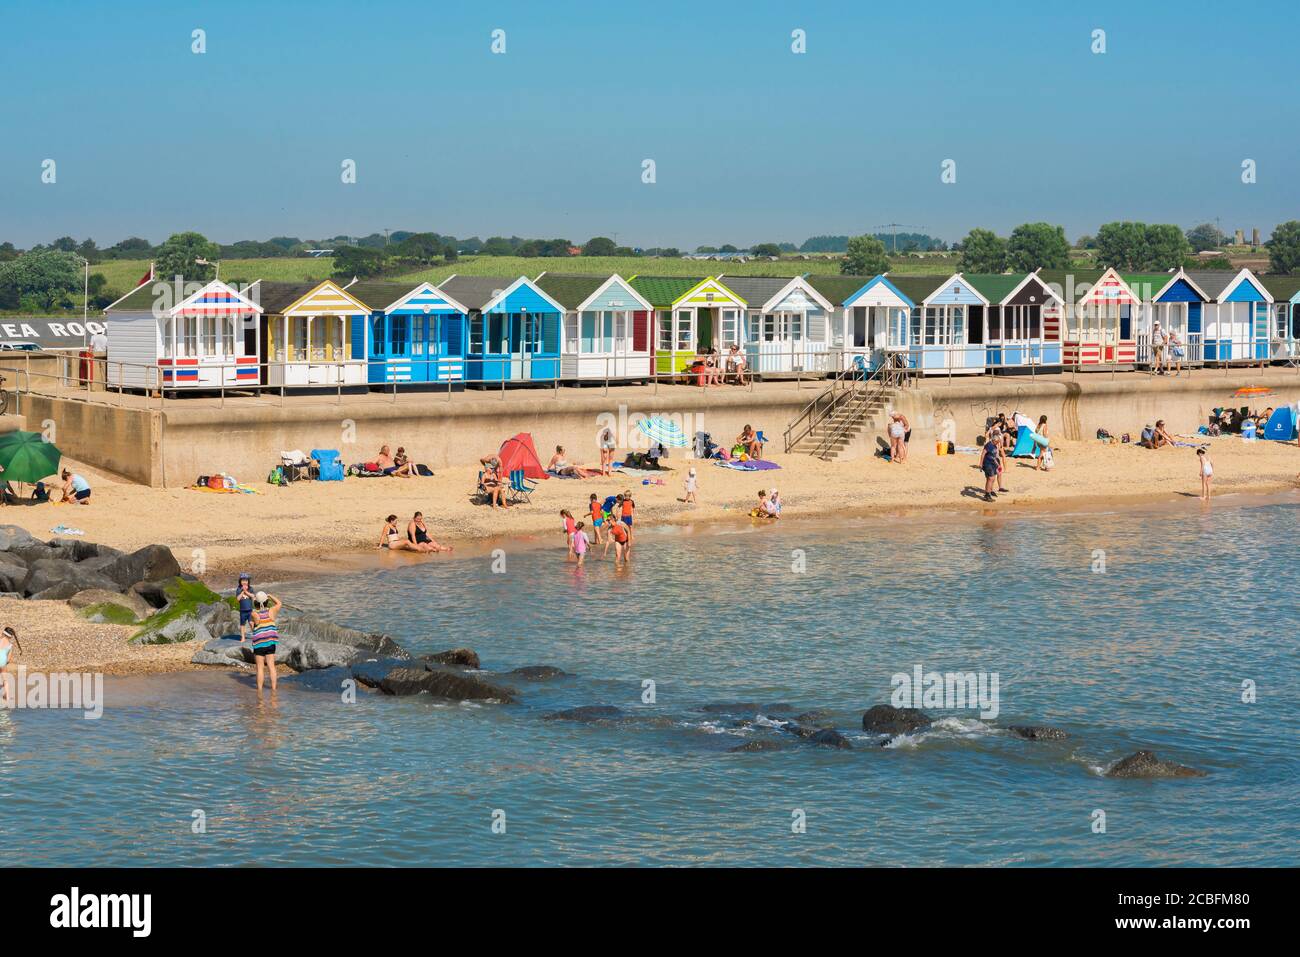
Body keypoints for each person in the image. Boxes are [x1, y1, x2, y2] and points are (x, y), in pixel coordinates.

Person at [245, 592, 281, 692]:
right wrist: (270, 595)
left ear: (255, 603)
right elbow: (279, 603)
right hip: (271, 642)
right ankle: (273, 689)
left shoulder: (254, 614)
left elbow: (253, 629)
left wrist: (253, 599)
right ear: (267, 601)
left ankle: (260, 691)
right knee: (271, 666)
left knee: (260, 668)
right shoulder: (272, 611)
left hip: (259, 644)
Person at [0, 626, 20, 706]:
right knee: (5, 680)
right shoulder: (10, 645)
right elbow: (9, 659)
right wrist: (4, 663)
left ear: (3, 633)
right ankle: (7, 697)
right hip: (3, 662)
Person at [980, 430, 1001, 502]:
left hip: (993, 464)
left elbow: (994, 457)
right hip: (987, 464)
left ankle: (989, 492)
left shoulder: (995, 446)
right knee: (991, 478)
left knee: (991, 478)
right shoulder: (988, 445)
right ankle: (987, 495)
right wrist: (980, 464)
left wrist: (998, 465)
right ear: (994, 440)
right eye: (997, 442)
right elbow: (983, 454)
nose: (998, 443)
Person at [236, 573, 255, 642]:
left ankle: (255, 635)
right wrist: (242, 592)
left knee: (251, 623)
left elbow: (253, 596)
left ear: (248, 581)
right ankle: (243, 637)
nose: (244, 582)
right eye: (243, 580)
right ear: (240, 581)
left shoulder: (250, 588)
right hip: (242, 611)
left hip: (250, 610)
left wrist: (246, 591)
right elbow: (238, 599)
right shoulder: (238, 589)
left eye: (246, 580)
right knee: (242, 624)